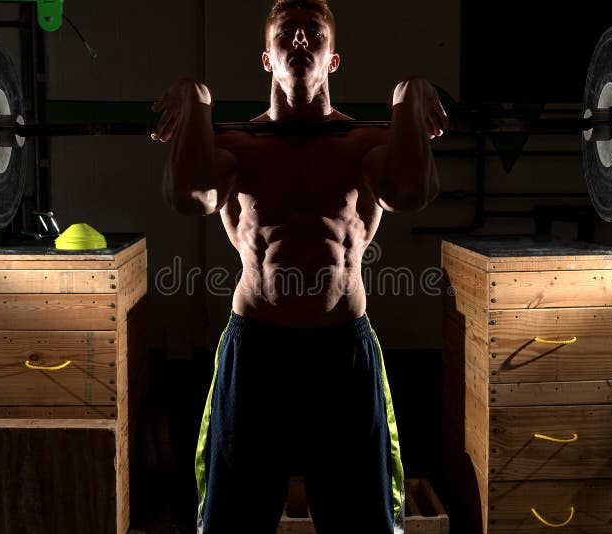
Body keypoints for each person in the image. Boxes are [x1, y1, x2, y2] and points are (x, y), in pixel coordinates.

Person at [151, 1, 446, 532]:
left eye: (315, 34)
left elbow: (411, 190)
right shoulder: (236, 144)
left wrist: (409, 98)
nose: (302, 41)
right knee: (232, 524)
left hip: (342, 354)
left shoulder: (367, 143)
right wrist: (196, 101)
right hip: (257, 352)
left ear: (333, 60)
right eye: (288, 34)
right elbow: (187, 196)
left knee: (361, 524)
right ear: (268, 58)